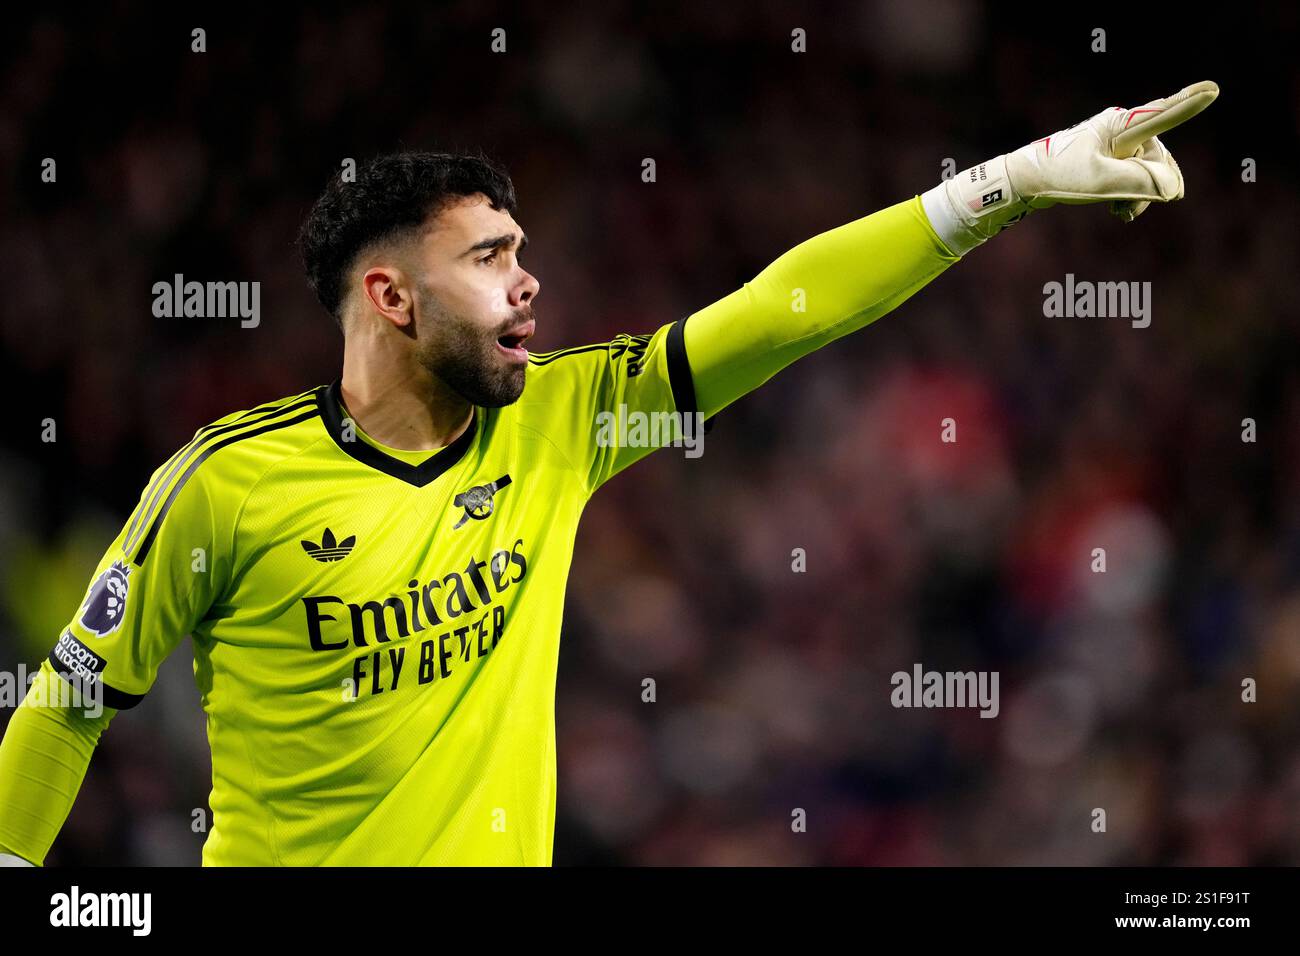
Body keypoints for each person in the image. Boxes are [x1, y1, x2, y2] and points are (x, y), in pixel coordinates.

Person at [0, 82, 1216, 866]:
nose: (528, 280)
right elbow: (64, 704)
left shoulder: (565, 418)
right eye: (489, 257)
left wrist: (1004, 183)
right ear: (391, 297)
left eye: (522, 250)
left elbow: (776, 315)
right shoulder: (226, 485)